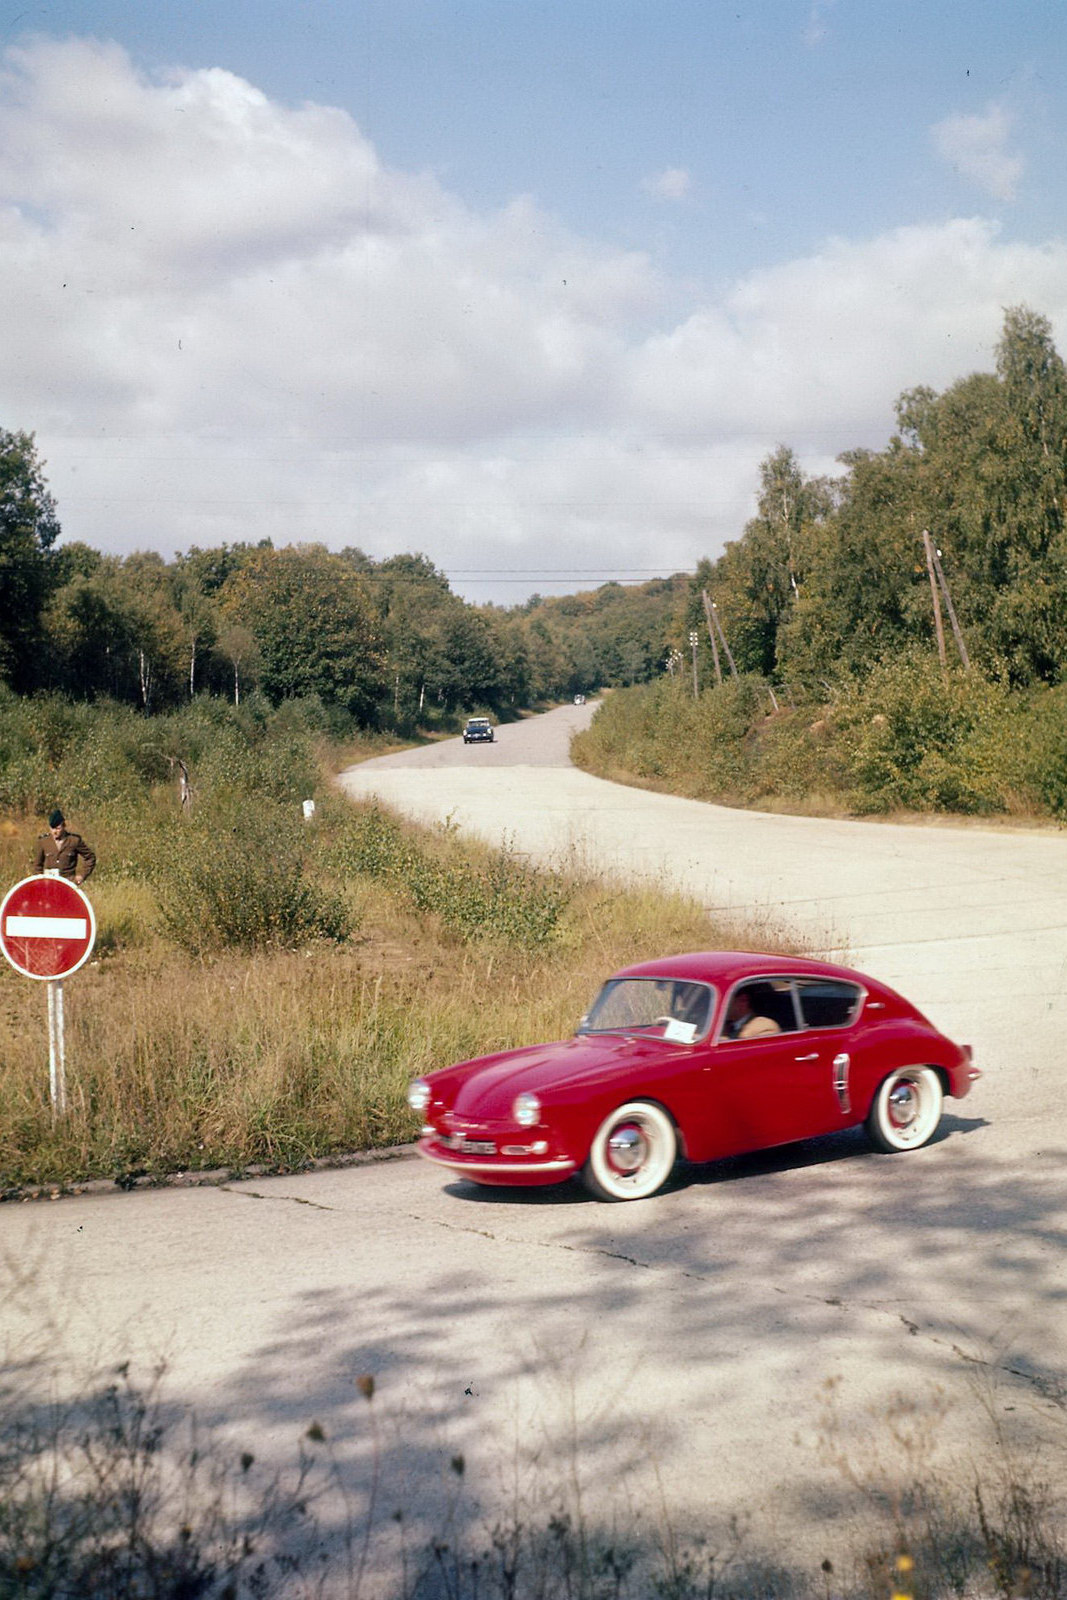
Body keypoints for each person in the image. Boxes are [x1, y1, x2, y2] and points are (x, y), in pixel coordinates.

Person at [33, 809, 96, 885]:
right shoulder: (44, 842)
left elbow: (90, 857)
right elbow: (37, 865)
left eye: (58, 828)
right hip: (49, 883)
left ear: (64, 826)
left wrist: (82, 876)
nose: (54, 832)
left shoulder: (74, 841)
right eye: (52, 828)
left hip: (68, 883)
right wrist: (40, 880)